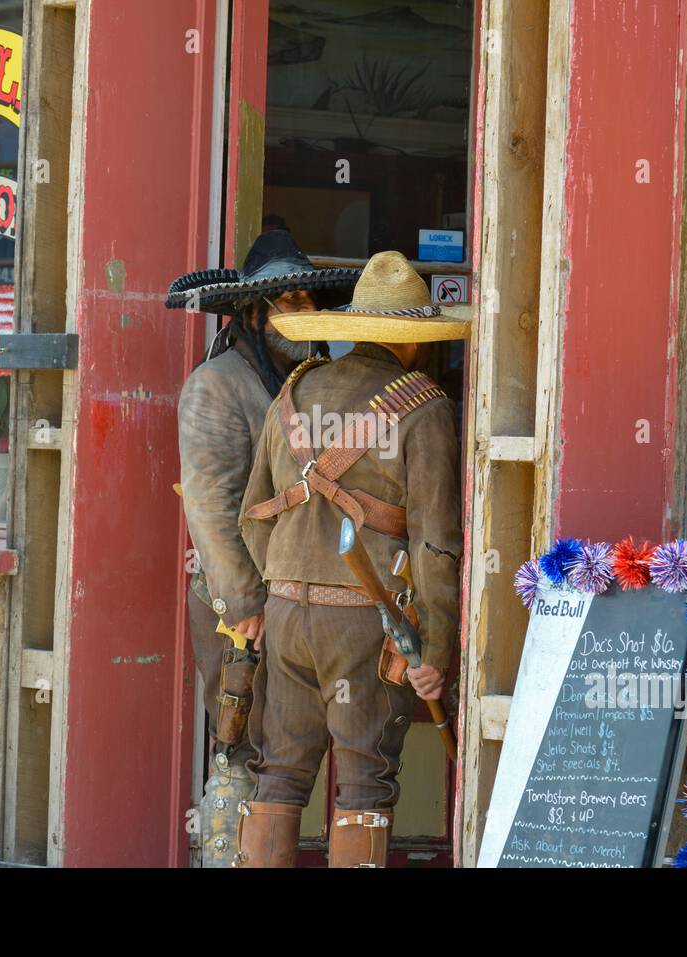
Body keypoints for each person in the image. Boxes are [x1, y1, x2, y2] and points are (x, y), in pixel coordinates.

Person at [236, 251, 468, 867]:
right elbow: (437, 545)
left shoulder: (294, 390)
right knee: (366, 783)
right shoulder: (428, 407)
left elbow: (253, 512)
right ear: (415, 342)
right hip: (371, 623)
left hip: (286, 614)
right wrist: (437, 651)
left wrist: (282, 584)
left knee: (279, 774)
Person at [165, 230, 358, 866]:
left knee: (295, 757)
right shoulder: (217, 385)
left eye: (306, 297)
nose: (299, 309)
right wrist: (242, 602)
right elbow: (211, 506)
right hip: (242, 610)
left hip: (306, 601)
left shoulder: (316, 379)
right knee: (243, 755)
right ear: (252, 311)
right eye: (284, 299)